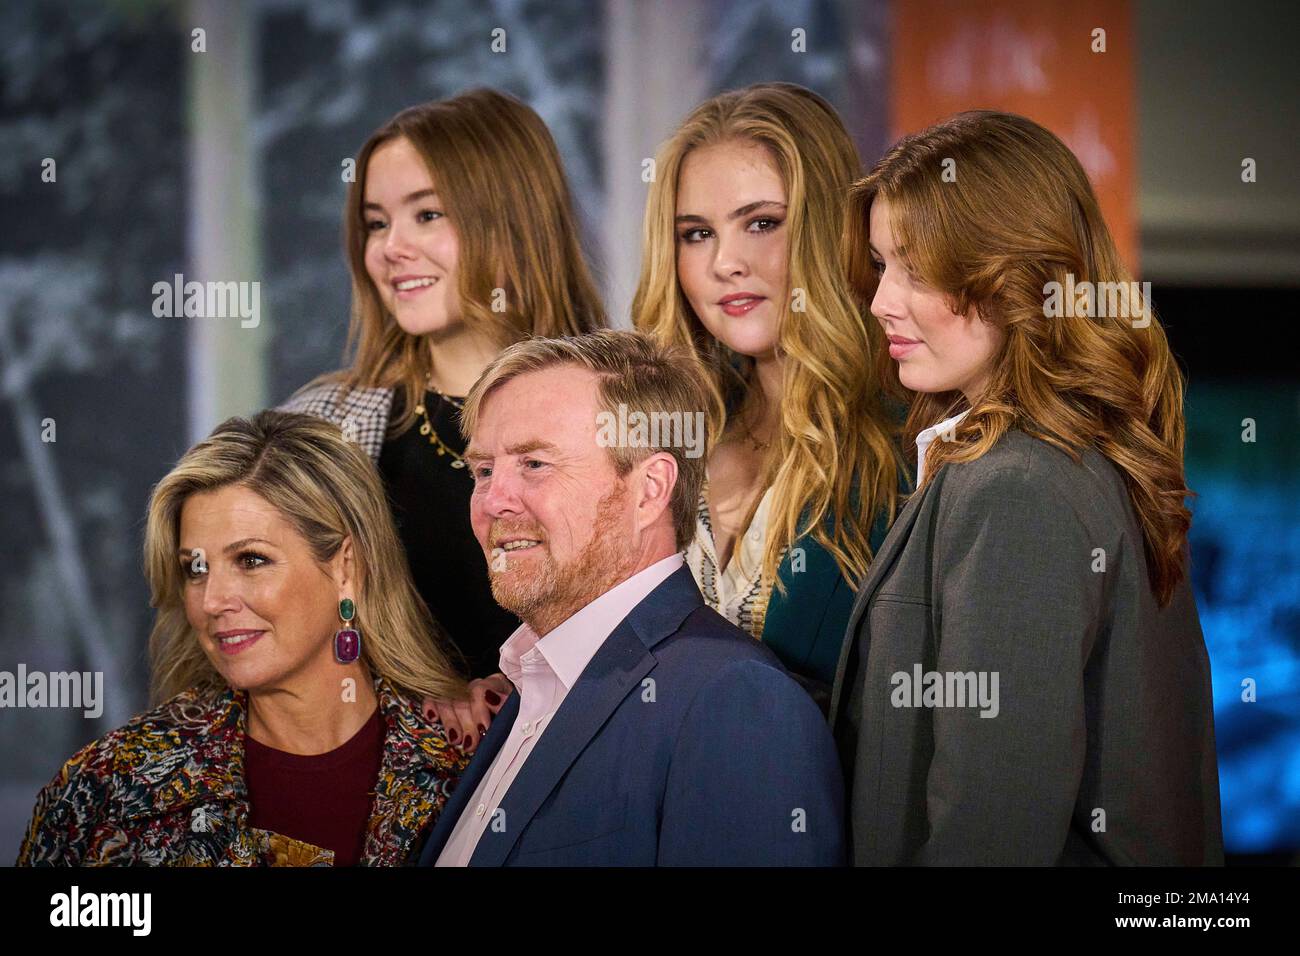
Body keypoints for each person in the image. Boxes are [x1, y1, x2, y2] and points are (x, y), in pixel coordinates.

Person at [829, 110, 1224, 865]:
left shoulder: (1020, 488)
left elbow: (990, 834)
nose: (881, 301)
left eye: (914, 267)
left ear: (1015, 274)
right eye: (882, 265)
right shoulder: (1045, 464)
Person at [416, 330, 845, 866]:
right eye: (483, 470)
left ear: (649, 490)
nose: (492, 501)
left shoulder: (736, 701)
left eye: (534, 464)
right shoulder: (529, 682)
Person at [282, 88, 607, 752]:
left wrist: (532, 680)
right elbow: (280, 648)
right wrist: (408, 688)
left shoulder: (632, 414)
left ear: (513, 221)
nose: (391, 248)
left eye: (426, 214)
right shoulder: (321, 431)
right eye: (375, 223)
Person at [18, 411, 469, 866]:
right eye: (195, 568)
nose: (211, 600)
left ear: (345, 568)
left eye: (251, 560)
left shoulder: (468, 768)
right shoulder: (107, 788)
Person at [633, 83, 901, 709]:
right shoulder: (660, 437)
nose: (726, 261)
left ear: (832, 228)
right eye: (696, 234)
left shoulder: (911, 444)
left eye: (761, 223)